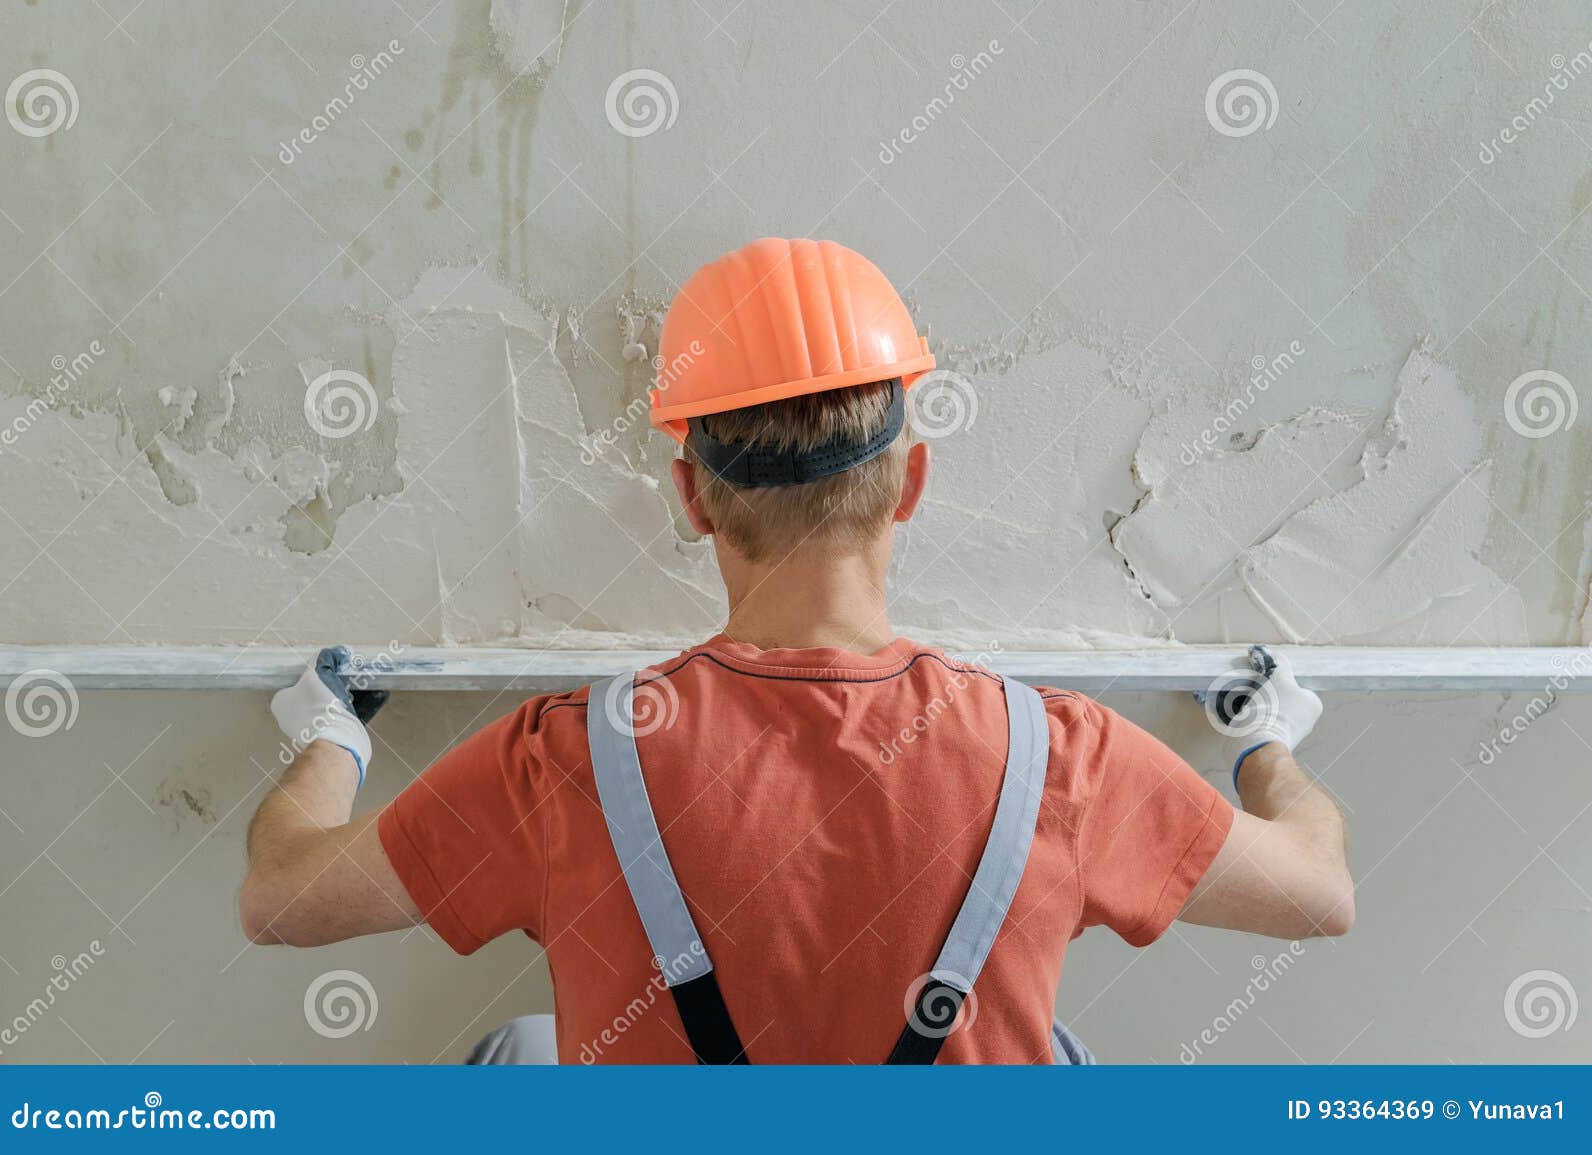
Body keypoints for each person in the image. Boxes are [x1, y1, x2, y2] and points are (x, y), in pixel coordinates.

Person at [240, 237, 1352, 1064]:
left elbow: (280, 898)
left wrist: (333, 736)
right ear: (911, 482)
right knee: (1059, 1059)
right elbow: (1319, 894)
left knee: (516, 1055)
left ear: (691, 497)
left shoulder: (569, 758)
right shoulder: (1056, 755)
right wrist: (1267, 745)